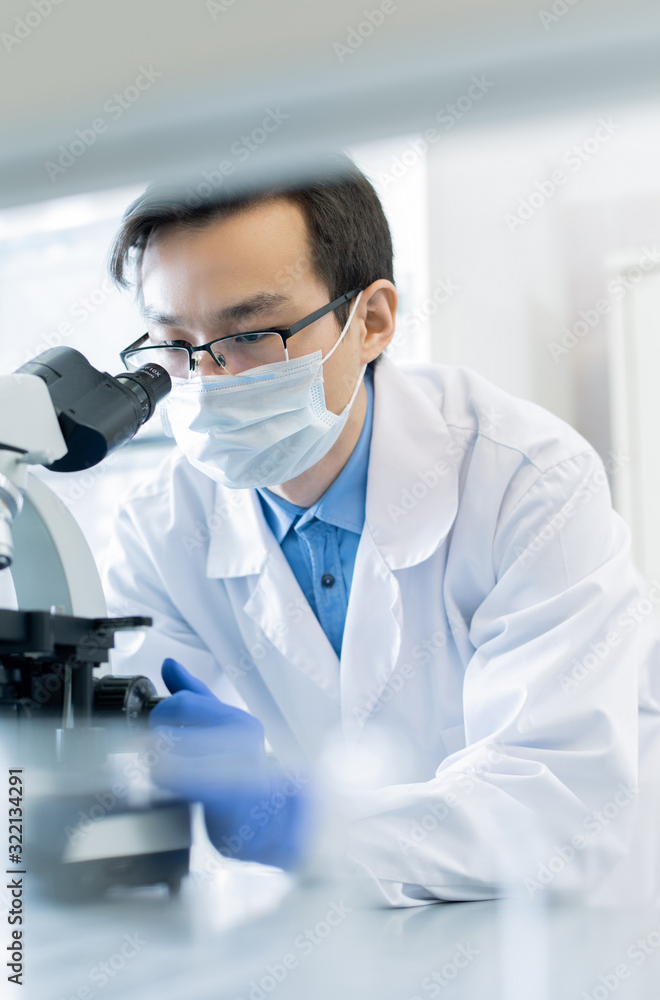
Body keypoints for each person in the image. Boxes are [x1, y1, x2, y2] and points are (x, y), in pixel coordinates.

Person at [103, 151, 660, 906]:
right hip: (328, 946)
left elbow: (555, 802)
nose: (209, 381)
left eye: (253, 334)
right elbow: (113, 772)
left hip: (557, 939)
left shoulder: (525, 479)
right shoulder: (161, 526)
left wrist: (296, 824)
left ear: (370, 321)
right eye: (176, 344)